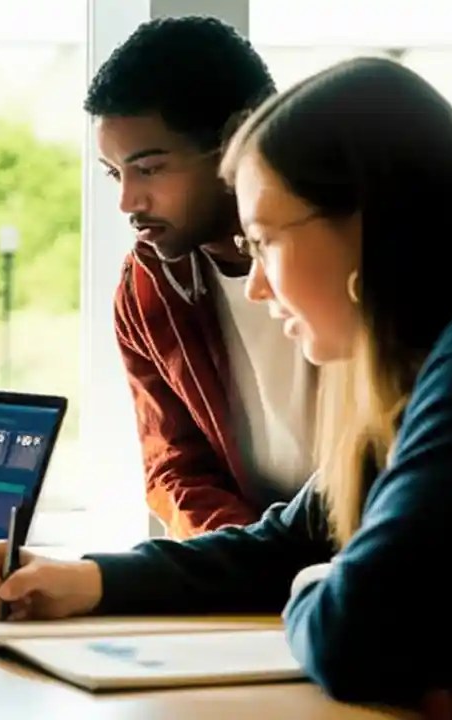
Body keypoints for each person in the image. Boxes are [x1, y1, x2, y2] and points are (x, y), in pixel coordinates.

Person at [0, 56, 452, 706]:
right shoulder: (428, 366)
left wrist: (312, 584)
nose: (258, 284)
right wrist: (88, 579)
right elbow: (285, 543)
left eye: (264, 240)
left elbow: (357, 631)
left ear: (364, 224)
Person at [91, 16, 318, 538]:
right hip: (259, 587)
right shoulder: (146, 286)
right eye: (114, 173)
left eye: (148, 168)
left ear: (238, 138)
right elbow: (174, 468)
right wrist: (246, 561)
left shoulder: (349, 259)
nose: (127, 201)